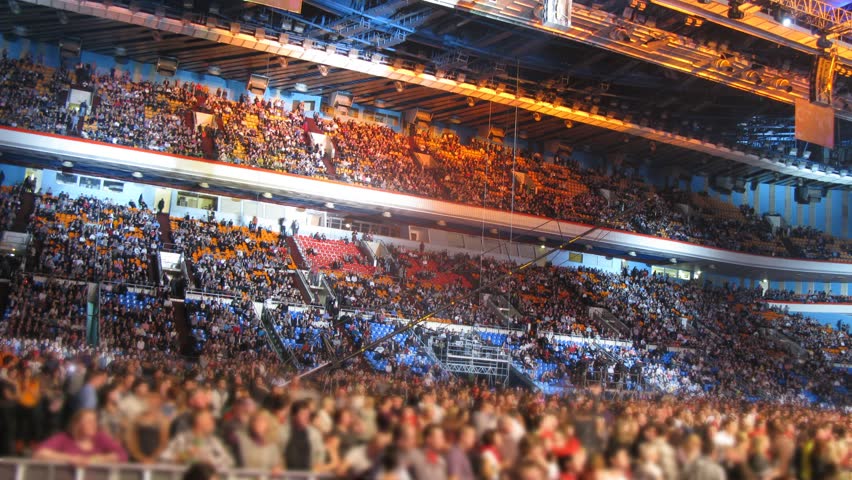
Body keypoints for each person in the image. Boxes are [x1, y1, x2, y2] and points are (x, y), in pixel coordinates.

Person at [33, 409, 127, 466]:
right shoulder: (64, 438)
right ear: (77, 424)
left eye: (94, 421)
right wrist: (71, 459)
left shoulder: (100, 437)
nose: (93, 425)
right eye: (89, 421)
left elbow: (121, 454)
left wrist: (96, 459)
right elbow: (40, 453)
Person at [160, 409, 234, 468]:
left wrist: (211, 463)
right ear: (199, 422)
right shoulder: (182, 439)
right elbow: (164, 459)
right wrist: (183, 456)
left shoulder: (214, 441)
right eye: (210, 421)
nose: (213, 424)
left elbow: (229, 462)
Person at [280, 399, 324, 471]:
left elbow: (320, 452)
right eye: (302, 414)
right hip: (287, 475)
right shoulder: (283, 432)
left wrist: (318, 466)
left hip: (308, 474)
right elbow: (278, 452)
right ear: (294, 415)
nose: (306, 417)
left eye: (307, 414)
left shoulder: (314, 434)